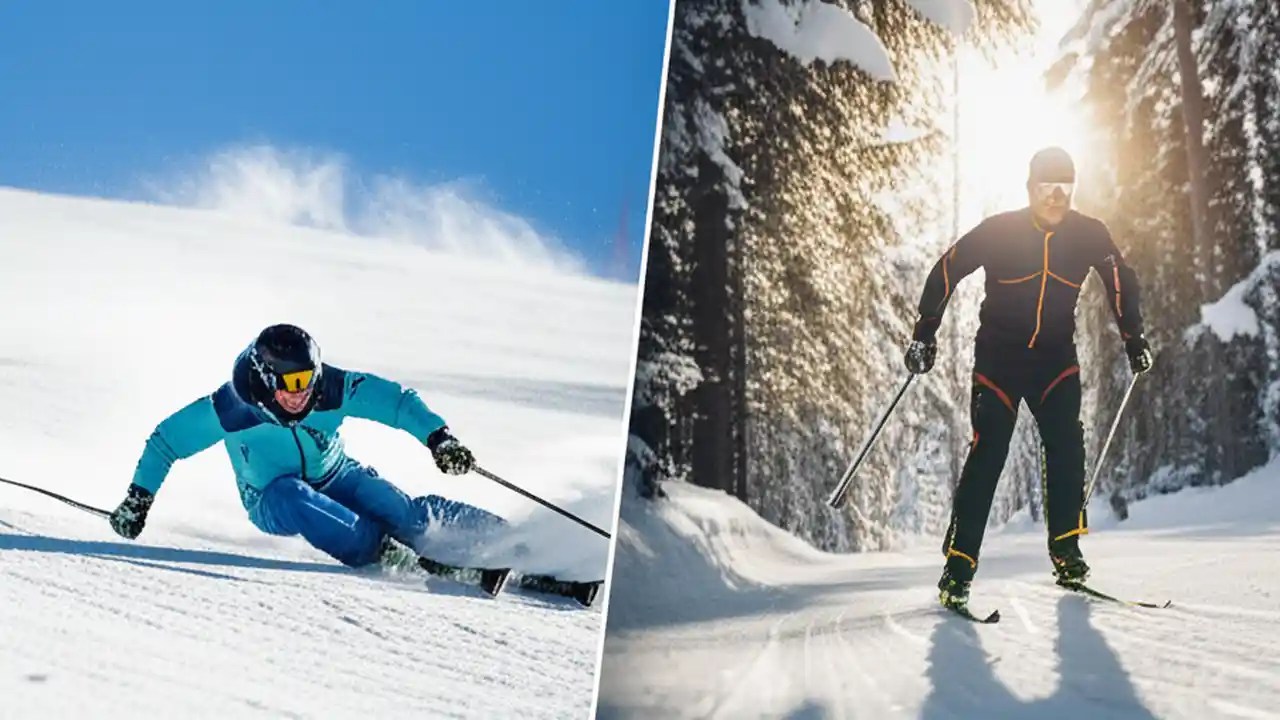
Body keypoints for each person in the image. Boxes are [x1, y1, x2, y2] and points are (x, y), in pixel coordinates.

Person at [904, 147, 1154, 609]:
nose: (1056, 198)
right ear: (1030, 188)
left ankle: (1066, 550)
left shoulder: (1086, 233)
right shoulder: (1001, 231)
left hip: (1054, 359)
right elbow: (948, 267)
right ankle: (958, 566)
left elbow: (1121, 278)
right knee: (989, 452)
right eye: (1046, 187)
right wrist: (925, 333)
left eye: (1065, 188)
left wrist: (1132, 336)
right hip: (999, 359)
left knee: (1066, 443)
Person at [107, 323, 502, 578]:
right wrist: (137, 500)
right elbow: (165, 442)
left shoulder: (330, 388)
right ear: (266, 378)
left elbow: (397, 403)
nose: (303, 393)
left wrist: (439, 438)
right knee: (294, 495)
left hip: (336, 473)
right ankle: (383, 553)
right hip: (270, 498)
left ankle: (505, 536)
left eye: (308, 379)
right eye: (292, 381)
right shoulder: (232, 408)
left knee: (400, 511)